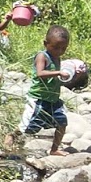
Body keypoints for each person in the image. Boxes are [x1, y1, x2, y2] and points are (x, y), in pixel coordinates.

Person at [20, 24, 72, 156]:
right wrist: (58, 73)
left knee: (62, 122)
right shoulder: (42, 56)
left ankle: (54, 149)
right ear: (46, 43)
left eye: (63, 48)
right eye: (55, 47)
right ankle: (10, 139)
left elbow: (54, 77)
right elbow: (40, 73)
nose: (59, 51)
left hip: (53, 99)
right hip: (39, 99)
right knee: (27, 127)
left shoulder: (57, 58)